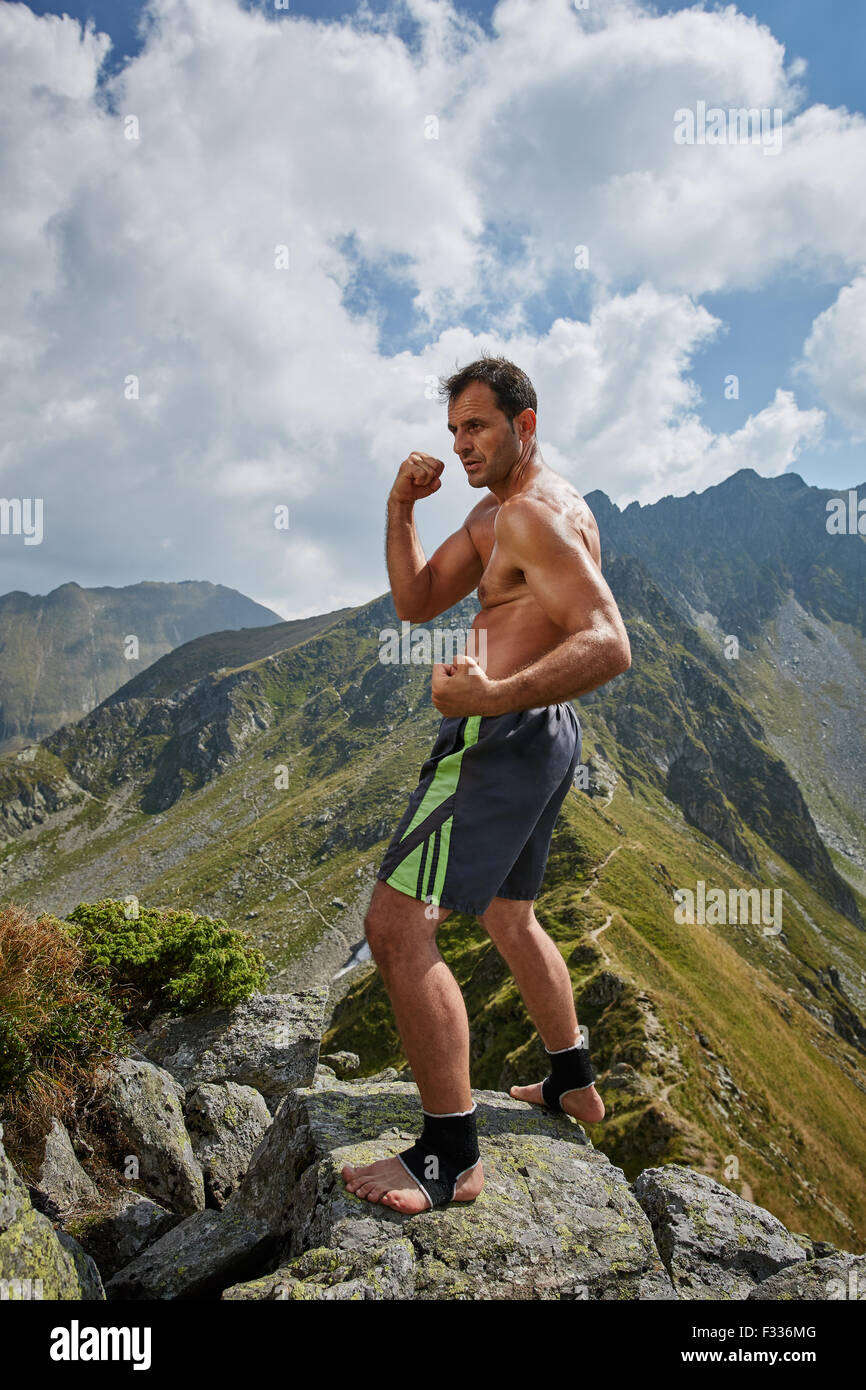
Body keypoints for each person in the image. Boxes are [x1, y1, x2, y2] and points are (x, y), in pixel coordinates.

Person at [342, 356, 631, 1214]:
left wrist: (494, 697)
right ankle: (573, 1081)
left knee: (396, 926)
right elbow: (416, 600)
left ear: (525, 424)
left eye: (478, 426)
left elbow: (609, 641)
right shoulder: (498, 515)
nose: (463, 444)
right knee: (510, 915)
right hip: (538, 735)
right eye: (454, 430)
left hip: (498, 735)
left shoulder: (535, 517)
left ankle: (448, 1155)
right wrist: (400, 508)